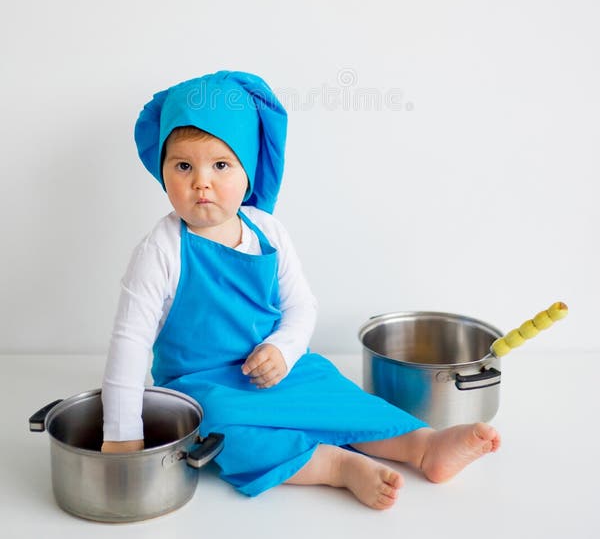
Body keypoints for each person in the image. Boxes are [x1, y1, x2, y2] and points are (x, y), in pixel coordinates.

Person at [101, 70, 500, 510]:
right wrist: (122, 433)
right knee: (215, 432)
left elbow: (301, 307)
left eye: (220, 165)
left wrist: (284, 350)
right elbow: (130, 342)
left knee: (337, 393)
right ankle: (333, 466)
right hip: (200, 386)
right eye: (183, 166)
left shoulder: (267, 231)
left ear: (248, 171)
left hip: (280, 369)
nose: (201, 182)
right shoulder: (162, 249)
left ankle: (423, 445)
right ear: (162, 170)